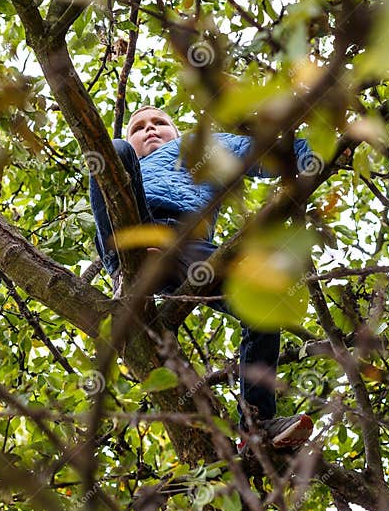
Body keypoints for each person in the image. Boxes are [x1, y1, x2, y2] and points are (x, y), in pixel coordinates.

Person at [89, 105, 314, 452]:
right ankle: (126, 274)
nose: (149, 129)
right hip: (131, 231)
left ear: (176, 133)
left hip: (187, 247)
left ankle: (258, 427)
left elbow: (252, 153)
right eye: (139, 127)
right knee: (111, 150)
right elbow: (114, 156)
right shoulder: (126, 156)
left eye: (160, 123)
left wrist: (311, 153)